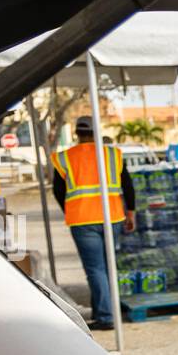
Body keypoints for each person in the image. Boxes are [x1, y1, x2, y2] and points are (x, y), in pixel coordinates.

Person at [51, 116, 135, 331]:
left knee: (96, 269)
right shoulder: (112, 154)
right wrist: (131, 213)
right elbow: (128, 186)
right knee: (108, 266)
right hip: (113, 217)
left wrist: (70, 208)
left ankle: (106, 316)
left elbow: (58, 192)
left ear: (76, 134)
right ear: (96, 132)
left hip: (83, 220)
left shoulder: (65, 158)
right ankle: (105, 309)